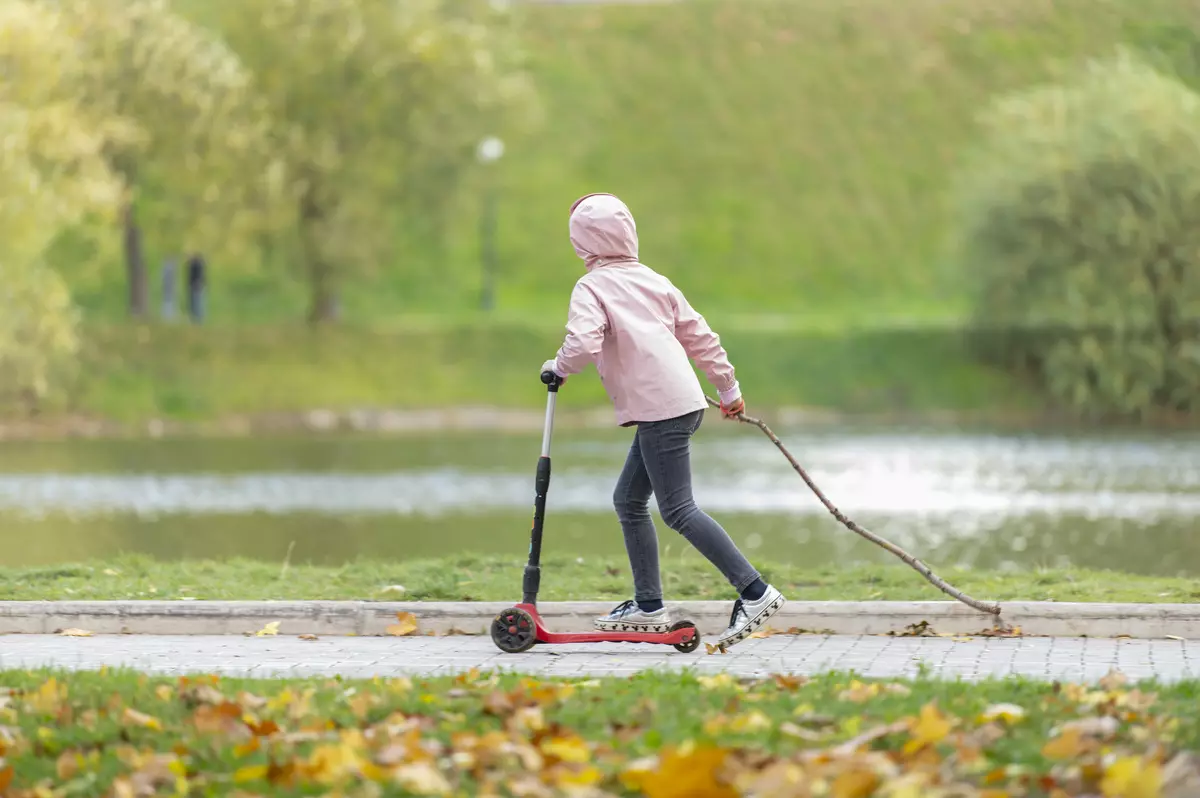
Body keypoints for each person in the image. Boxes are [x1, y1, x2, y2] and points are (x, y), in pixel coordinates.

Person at [541, 193, 785, 649]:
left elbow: (584, 342)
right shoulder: (654, 280)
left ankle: (755, 591)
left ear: (582, 243)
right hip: (684, 402)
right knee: (628, 499)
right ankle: (648, 605)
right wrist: (728, 389)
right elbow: (700, 335)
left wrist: (558, 367)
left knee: (677, 509)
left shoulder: (590, 288)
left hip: (661, 410)